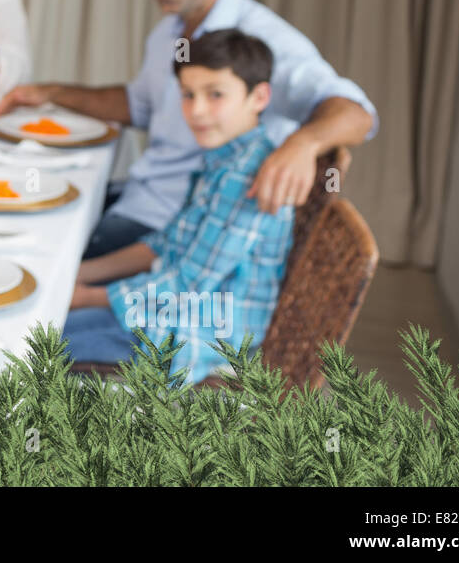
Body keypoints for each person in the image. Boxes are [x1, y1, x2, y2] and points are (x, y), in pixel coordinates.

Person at [0, 0, 377, 260]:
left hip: (178, 228)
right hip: (141, 194)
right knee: (12, 213)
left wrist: (304, 144)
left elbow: (358, 114)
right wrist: (51, 93)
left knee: (31, 256)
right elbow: (138, 105)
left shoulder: (264, 38)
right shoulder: (168, 32)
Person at [63, 29, 293, 382]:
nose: (197, 110)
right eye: (188, 94)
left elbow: (188, 285)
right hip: (173, 306)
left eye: (215, 94)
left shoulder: (247, 177)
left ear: (259, 97)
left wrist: (84, 297)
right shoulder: (224, 158)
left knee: (39, 336)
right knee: (50, 314)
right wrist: (81, 274)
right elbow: (167, 242)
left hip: (200, 332)